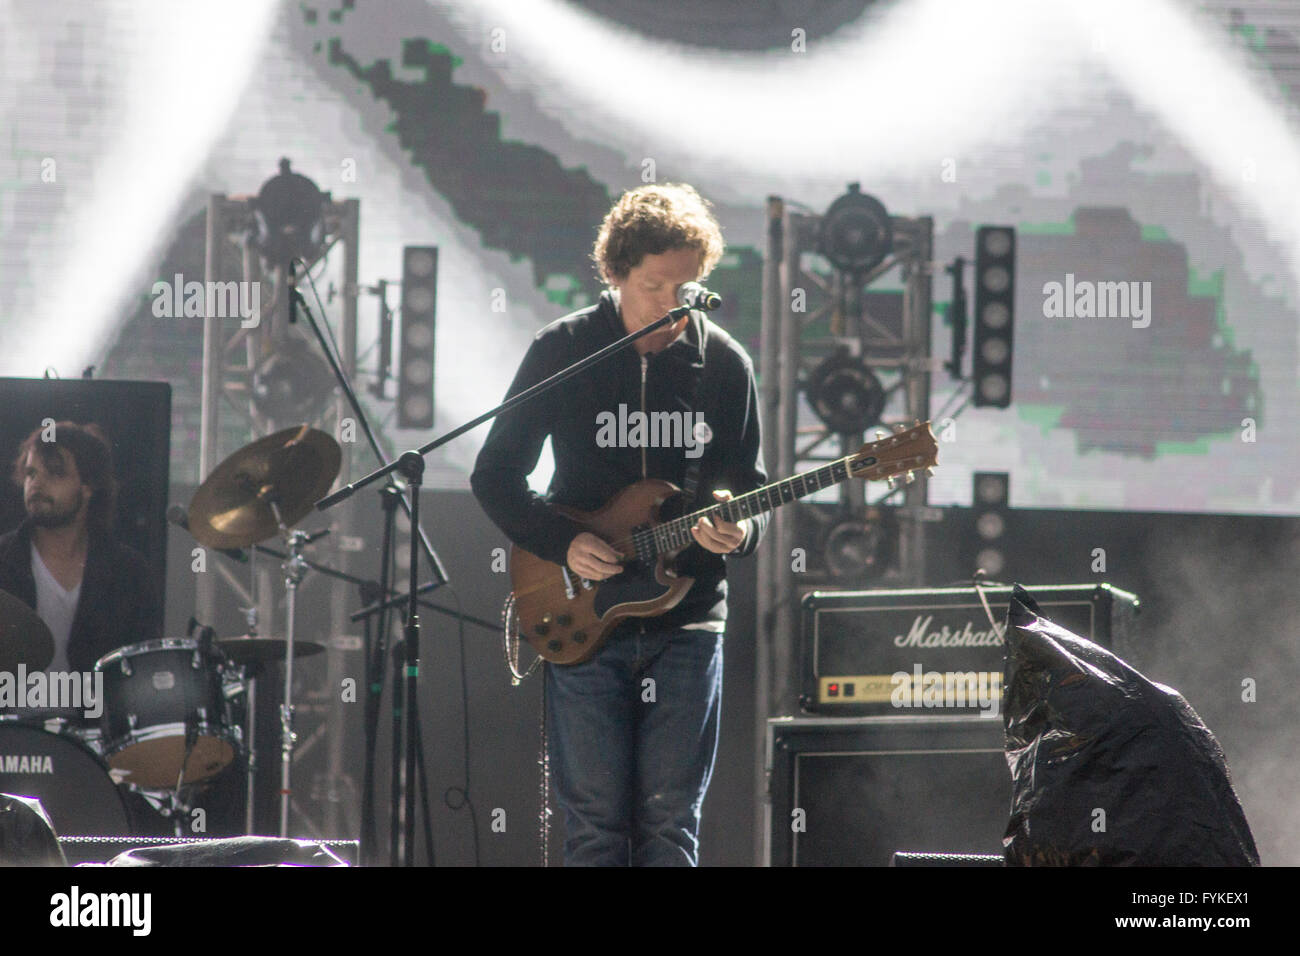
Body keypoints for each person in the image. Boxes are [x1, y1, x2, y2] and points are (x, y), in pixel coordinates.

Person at [472, 183, 768, 866]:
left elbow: (746, 488)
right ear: (615, 273)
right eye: (654, 285)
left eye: (685, 287)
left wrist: (739, 532)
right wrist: (564, 543)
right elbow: (495, 475)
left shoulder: (723, 363)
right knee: (596, 827)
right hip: (582, 612)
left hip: (688, 619)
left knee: (670, 827)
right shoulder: (563, 350)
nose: (671, 304)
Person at [0, 421, 160, 690]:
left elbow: (142, 672)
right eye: (30, 473)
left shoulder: (129, 573)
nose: (36, 483)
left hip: (93, 726)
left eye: (54, 473)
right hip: (10, 724)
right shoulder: (4, 560)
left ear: (87, 486)